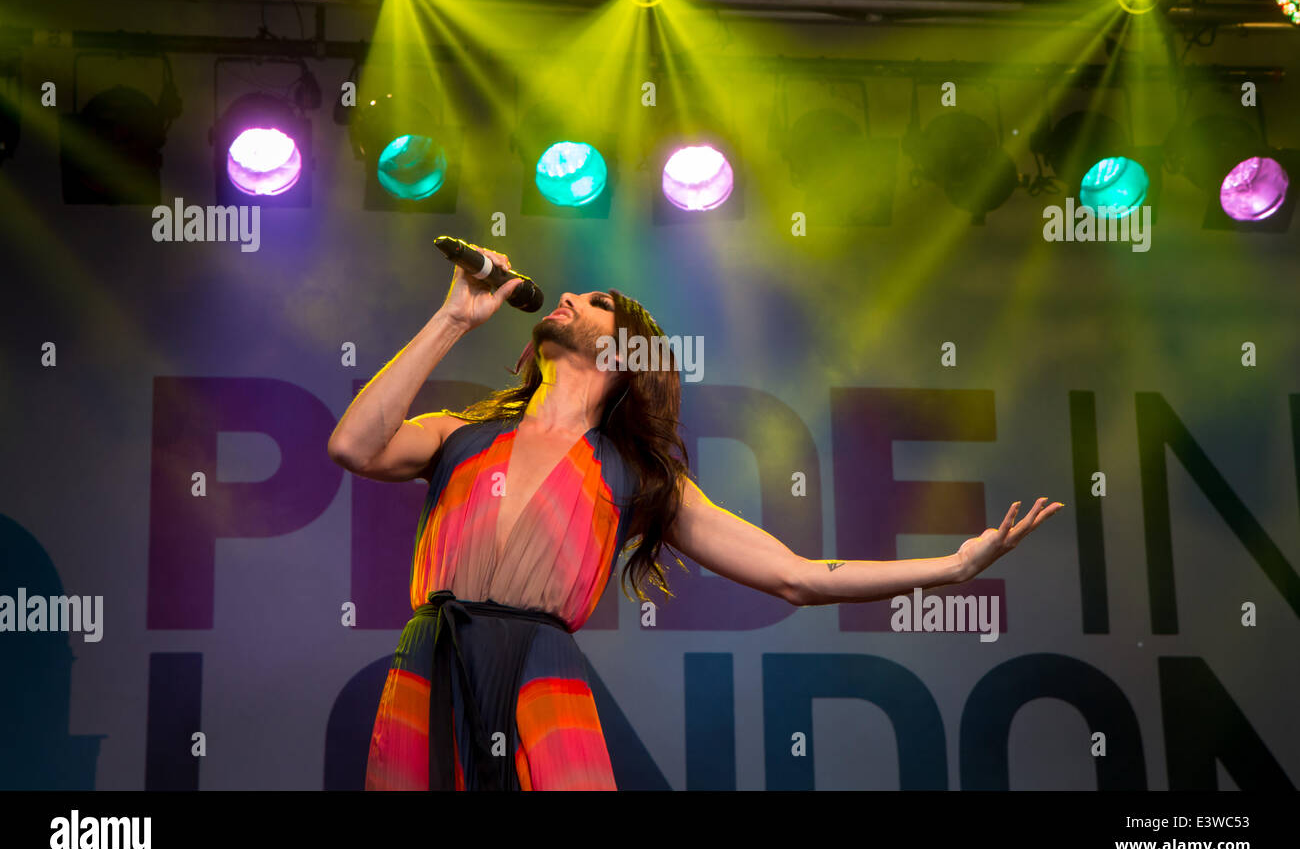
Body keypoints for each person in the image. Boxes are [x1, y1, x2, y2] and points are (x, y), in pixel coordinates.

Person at [327, 244, 1064, 791]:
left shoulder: (646, 479)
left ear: (624, 347)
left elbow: (797, 576)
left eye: (595, 300)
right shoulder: (460, 432)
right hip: (434, 657)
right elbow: (353, 445)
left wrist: (953, 567)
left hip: (542, 673)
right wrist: (456, 315)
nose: (571, 297)